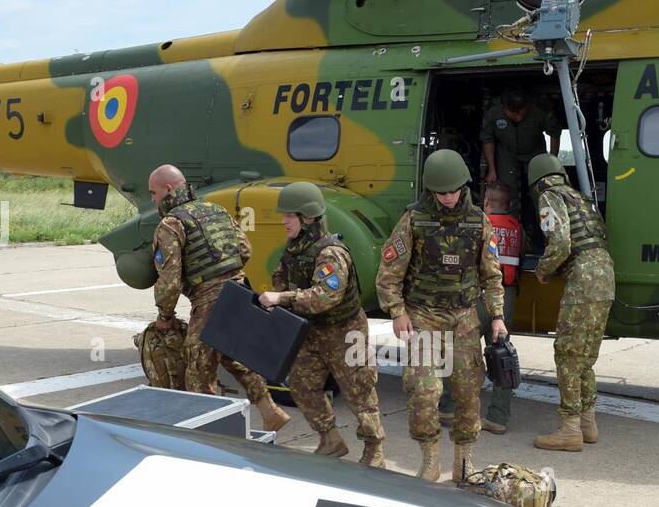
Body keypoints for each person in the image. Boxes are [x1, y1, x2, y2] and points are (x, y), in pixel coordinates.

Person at [376, 150, 505, 482]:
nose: (448, 198)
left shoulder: (479, 222)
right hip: (424, 316)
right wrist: (397, 312)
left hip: (464, 318)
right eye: (440, 192)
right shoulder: (413, 220)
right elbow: (389, 273)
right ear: (430, 190)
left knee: (467, 391)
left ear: (464, 186)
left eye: (453, 190)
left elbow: (492, 277)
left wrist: (497, 316)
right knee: (424, 390)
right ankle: (430, 458)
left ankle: (463, 462)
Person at [146, 164, 290, 433]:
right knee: (231, 354)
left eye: (153, 193)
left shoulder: (171, 223)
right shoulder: (216, 209)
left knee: (197, 368)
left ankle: (211, 432)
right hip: (238, 292)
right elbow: (244, 248)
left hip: (209, 300)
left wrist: (165, 316)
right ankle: (269, 409)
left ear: (168, 189)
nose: (152, 200)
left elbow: (170, 280)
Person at [259, 182, 386, 467]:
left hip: (344, 331)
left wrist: (281, 298)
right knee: (302, 386)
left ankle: (373, 450)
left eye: (289, 216)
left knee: (360, 393)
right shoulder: (294, 250)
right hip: (312, 333)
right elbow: (282, 278)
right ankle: (329, 439)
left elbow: (323, 298)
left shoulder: (330, 253)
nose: (284, 221)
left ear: (307, 218)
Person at [528, 154, 615, 452]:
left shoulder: (549, 197)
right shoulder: (579, 197)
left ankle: (569, 429)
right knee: (585, 357)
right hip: (605, 276)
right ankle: (588, 424)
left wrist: (543, 269)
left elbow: (561, 242)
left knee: (566, 353)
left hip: (584, 280)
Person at [437, 180, 521, 434]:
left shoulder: (477, 225)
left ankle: (449, 408)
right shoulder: (517, 228)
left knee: (458, 352)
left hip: (476, 296)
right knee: (502, 356)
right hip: (505, 296)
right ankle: (498, 416)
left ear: (486, 202)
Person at [480, 87, 561, 217]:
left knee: (541, 188)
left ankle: (541, 226)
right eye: (513, 112)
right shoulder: (493, 111)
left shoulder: (540, 109)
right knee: (505, 189)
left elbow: (555, 134)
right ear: (504, 108)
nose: (518, 116)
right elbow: (487, 139)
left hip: (535, 151)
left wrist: (550, 164)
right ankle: (510, 226)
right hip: (506, 152)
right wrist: (492, 169)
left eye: (521, 112)